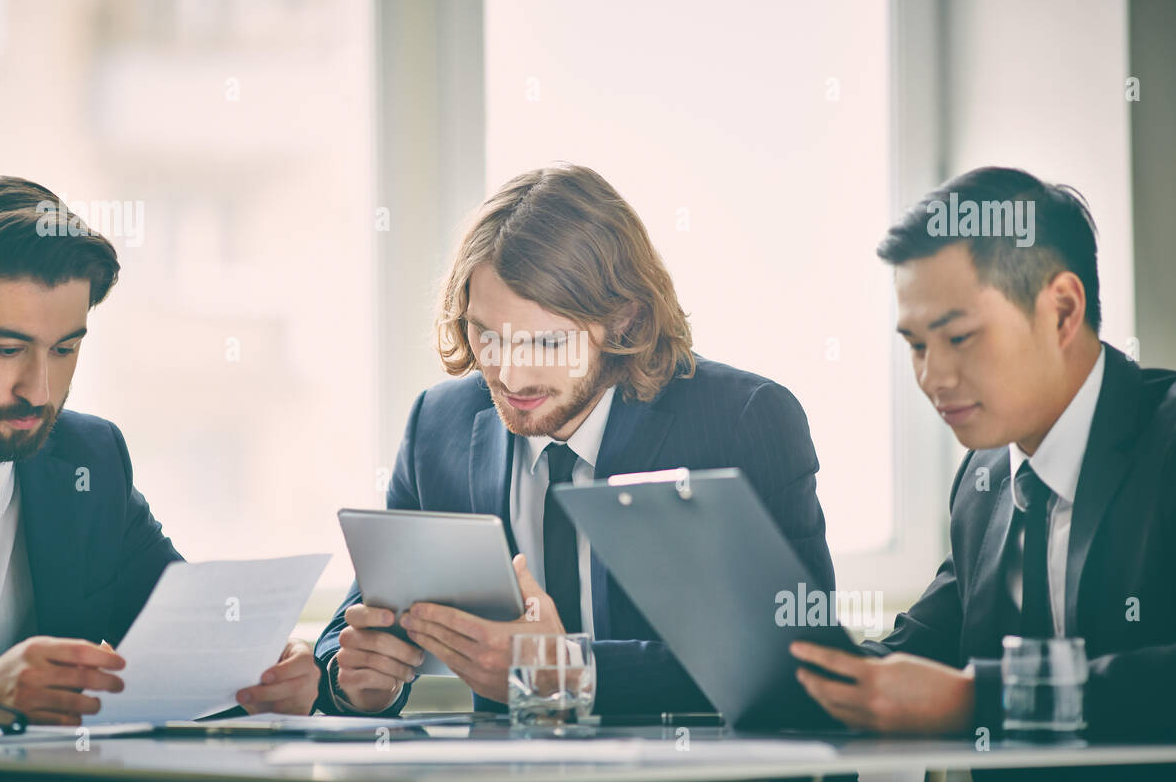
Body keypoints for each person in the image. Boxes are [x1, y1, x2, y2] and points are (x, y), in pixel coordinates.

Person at [315, 163, 833, 716]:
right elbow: (361, 621)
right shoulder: (437, 426)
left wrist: (572, 674)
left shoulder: (743, 420)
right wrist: (360, 682)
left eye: (545, 343)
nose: (509, 377)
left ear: (626, 321)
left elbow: (802, 663)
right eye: (486, 335)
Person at [0, 176, 320, 723]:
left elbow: (186, 643)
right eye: (5, 349)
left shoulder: (89, 458)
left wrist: (266, 676)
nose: (38, 391)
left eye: (65, 348)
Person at [791, 167, 1176, 748]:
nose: (932, 376)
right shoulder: (986, 479)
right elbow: (921, 647)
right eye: (916, 345)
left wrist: (979, 699)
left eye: (959, 337)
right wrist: (799, 677)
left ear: (1063, 311)